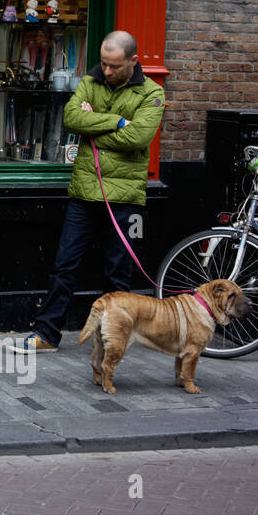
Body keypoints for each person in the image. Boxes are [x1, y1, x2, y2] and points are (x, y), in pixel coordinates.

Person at [19, 30, 166, 353]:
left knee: (118, 273)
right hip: (85, 191)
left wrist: (93, 126)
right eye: (104, 64)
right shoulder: (91, 79)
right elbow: (71, 118)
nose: (108, 72)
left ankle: (113, 339)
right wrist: (117, 122)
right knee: (65, 265)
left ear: (133, 61)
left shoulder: (152, 93)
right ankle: (47, 334)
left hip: (124, 197)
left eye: (115, 66)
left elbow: (139, 139)